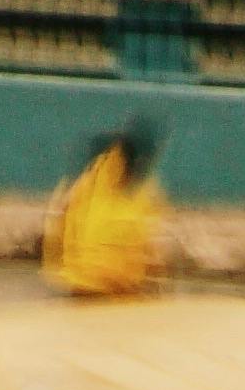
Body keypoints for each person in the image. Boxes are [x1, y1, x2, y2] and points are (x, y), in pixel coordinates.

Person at [44, 122, 169, 300]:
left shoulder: (83, 186)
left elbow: (58, 220)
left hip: (91, 282)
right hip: (102, 284)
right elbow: (152, 248)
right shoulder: (133, 192)